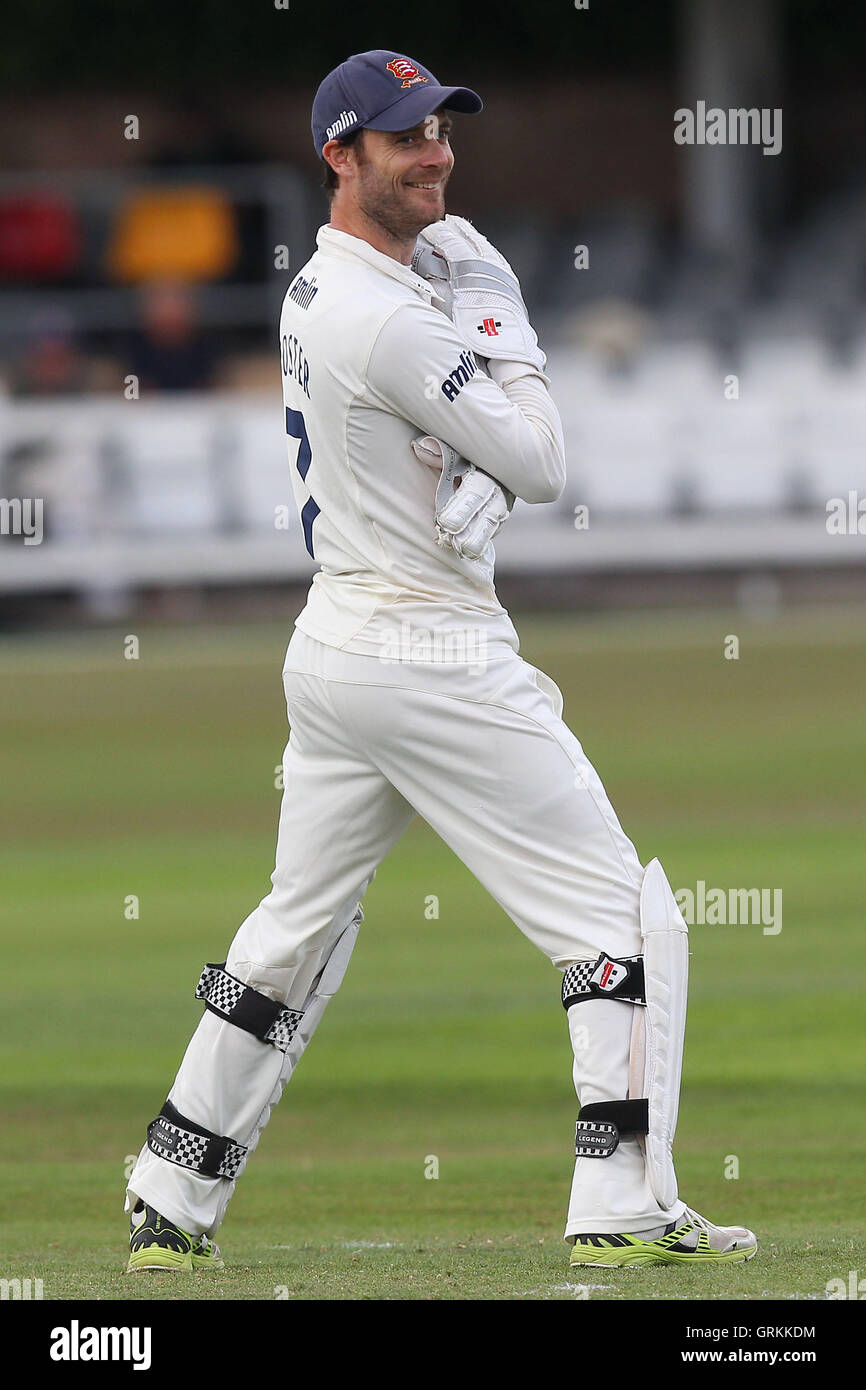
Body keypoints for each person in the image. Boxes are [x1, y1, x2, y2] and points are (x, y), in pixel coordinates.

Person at [124, 49, 756, 1275]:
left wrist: (462, 453)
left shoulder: (320, 289)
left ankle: (172, 1188)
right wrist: (503, 317)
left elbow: (458, 449)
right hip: (434, 652)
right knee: (618, 916)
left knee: (295, 929)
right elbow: (540, 459)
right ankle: (618, 1196)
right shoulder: (388, 315)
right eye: (406, 137)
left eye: (443, 133)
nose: (435, 155)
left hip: (336, 649)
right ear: (340, 155)